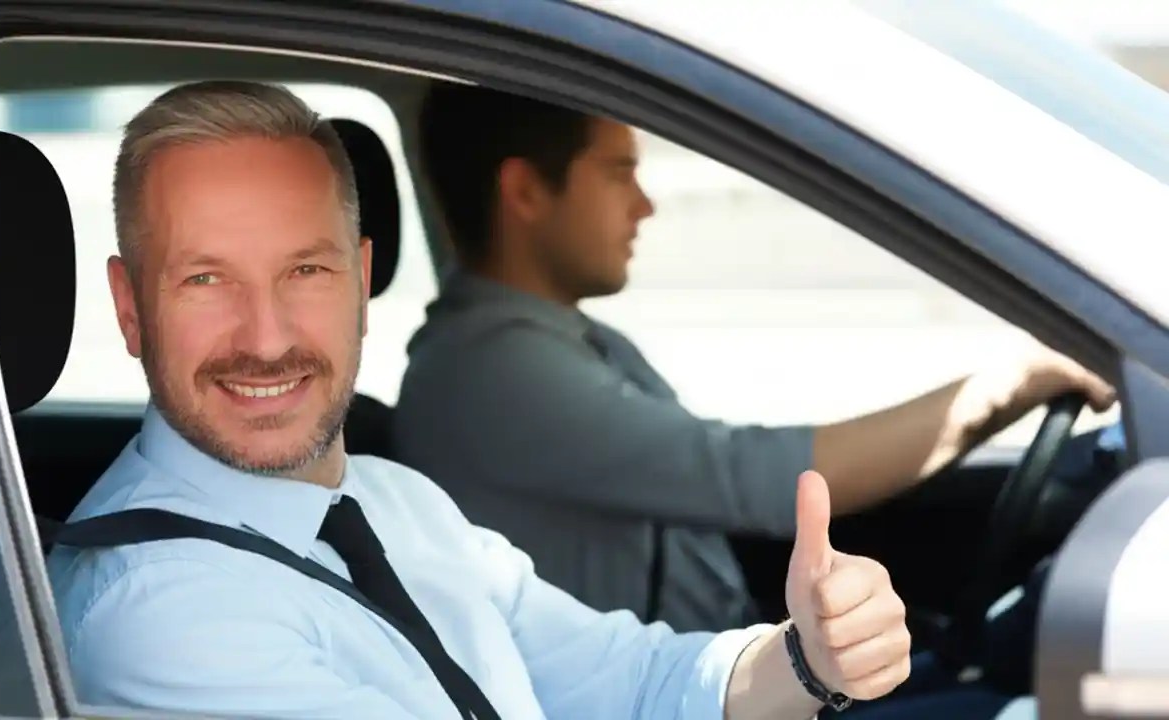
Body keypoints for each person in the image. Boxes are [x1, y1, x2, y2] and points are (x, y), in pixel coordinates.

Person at [44, 79, 936, 720]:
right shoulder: (154, 613)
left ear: (360, 280)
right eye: (205, 279)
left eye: (305, 270)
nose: (267, 335)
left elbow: (630, 681)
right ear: (131, 309)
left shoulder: (398, 505)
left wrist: (806, 658)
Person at [394, 82, 1116, 637]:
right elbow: (755, 476)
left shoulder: (567, 343)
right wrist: (1005, 387)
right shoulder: (493, 374)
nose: (643, 205)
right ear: (524, 190)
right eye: (618, 173)